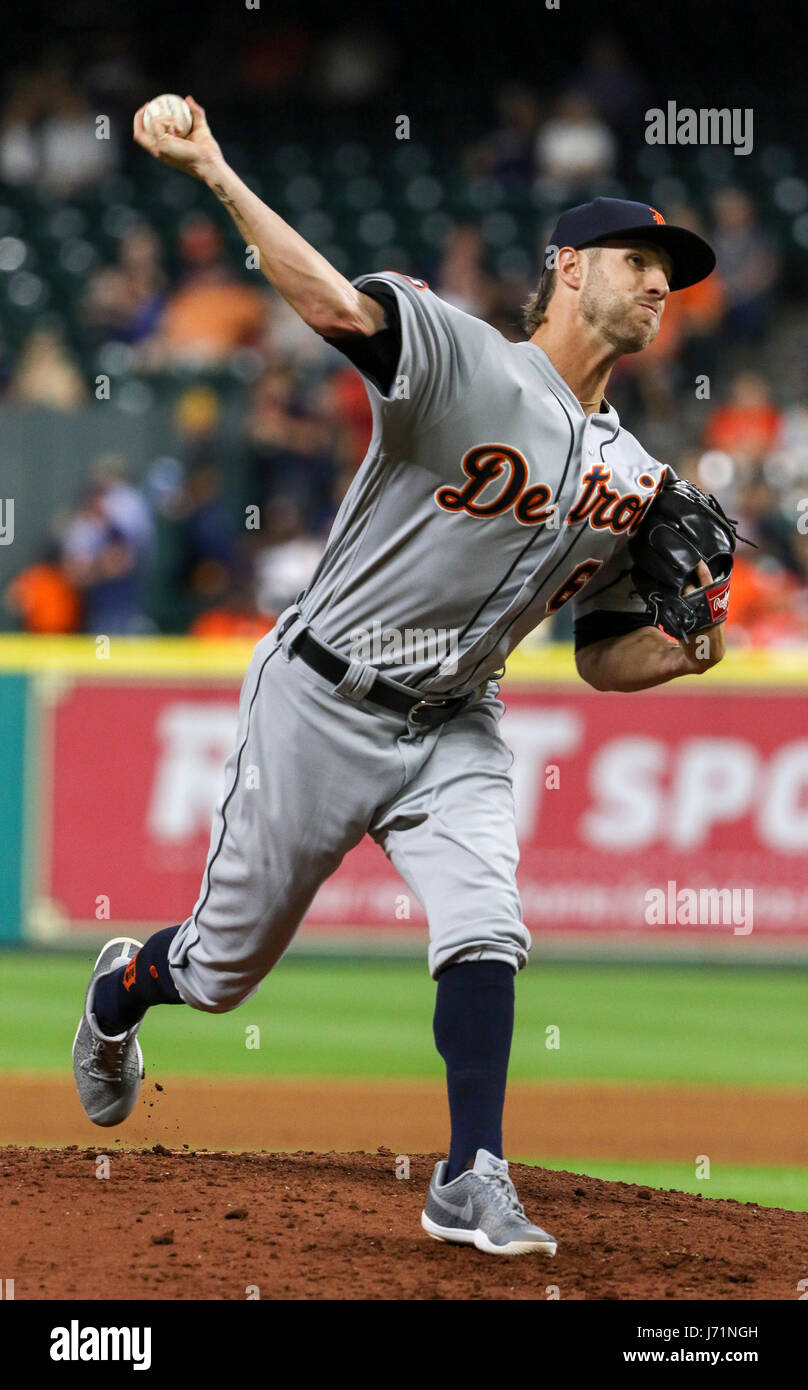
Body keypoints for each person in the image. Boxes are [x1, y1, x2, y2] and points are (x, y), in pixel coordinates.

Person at [73, 98, 725, 1259]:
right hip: (321, 695)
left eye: (669, 271)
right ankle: (127, 983)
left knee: (487, 919)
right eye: (639, 261)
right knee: (219, 972)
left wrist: (683, 647)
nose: (659, 283)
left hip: (456, 721)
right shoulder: (464, 359)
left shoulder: (637, 477)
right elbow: (330, 303)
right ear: (567, 268)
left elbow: (600, 660)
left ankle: (471, 1169)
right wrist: (218, 168)